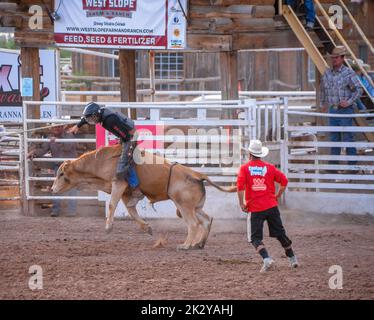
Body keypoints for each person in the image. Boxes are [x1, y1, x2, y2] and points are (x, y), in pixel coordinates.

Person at [236, 140, 298, 273]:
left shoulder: (244, 168)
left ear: (249, 154)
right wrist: (277, 195)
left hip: (255, 208)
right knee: (280, 233)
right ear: (261, 154)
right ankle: (292, 257)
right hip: (271, 206)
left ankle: (266, 258)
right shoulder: (269, 167)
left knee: (255, 238)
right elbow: (284, 181)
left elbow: (240, 188)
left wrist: (242, 204)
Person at [69, 102, 144, 206]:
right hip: (126, 134)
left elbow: (126, 136)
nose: (90, 120)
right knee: (121, 160)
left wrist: (123, 142)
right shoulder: (102, 114)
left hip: (130, 137)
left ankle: (137, 191)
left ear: (96, 115)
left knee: (122, 166)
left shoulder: (110, 121)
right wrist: (78, 125)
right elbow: (87, 117)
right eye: (89, 118)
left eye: (91, 118)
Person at [319, 46, 363, 167]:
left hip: (345, 110)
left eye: (337, 57)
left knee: (348, 137)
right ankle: (334, 166)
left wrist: (348, 102)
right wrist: (322, 104)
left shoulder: (348, 73)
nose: (334, 60)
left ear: (343, 58)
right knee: (334, 138)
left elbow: (358, 90)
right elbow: (322, 90)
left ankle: (352, 165)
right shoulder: (327, 73)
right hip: (332, 109)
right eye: (333, 57)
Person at [28, 124, 78, 217]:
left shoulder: (69, 136)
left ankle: (72, 211)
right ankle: (56, 210)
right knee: (57, 187)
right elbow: (43, 150)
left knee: (72, 188)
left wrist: (57, 141)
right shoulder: (50, 139)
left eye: (59, 126)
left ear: (63, 127)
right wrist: (33, 152)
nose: (57, 128)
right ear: (51, 128)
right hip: (58, 166)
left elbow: (68, 147)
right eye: (55, 127)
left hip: (71, 166)